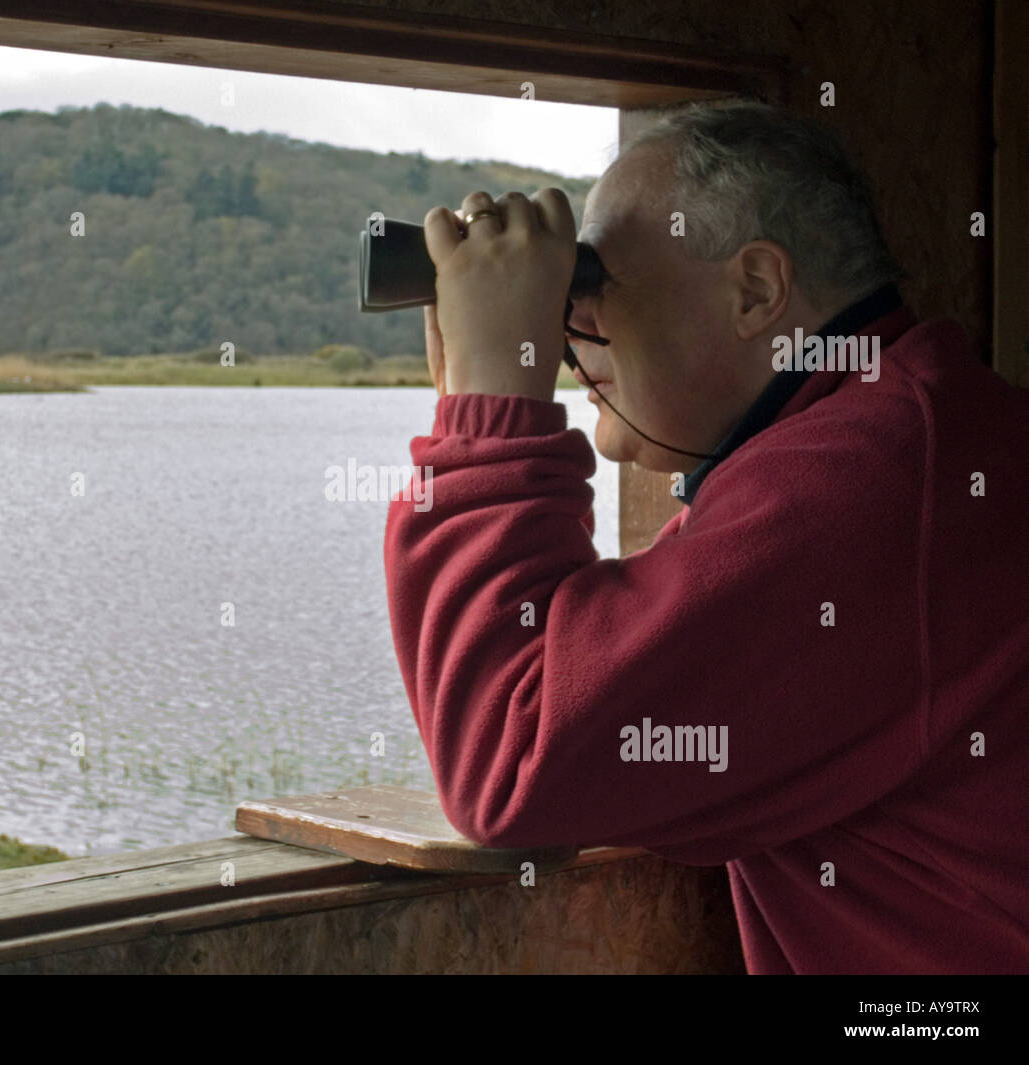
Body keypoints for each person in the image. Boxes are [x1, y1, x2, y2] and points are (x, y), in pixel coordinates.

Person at [383, 99, 1029, 974]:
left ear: (756, 290)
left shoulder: (866, 477)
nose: (573, 327)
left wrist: (495, 402)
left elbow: (515, 758)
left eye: (593, 283)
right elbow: (612, 678)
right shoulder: (916, 420)